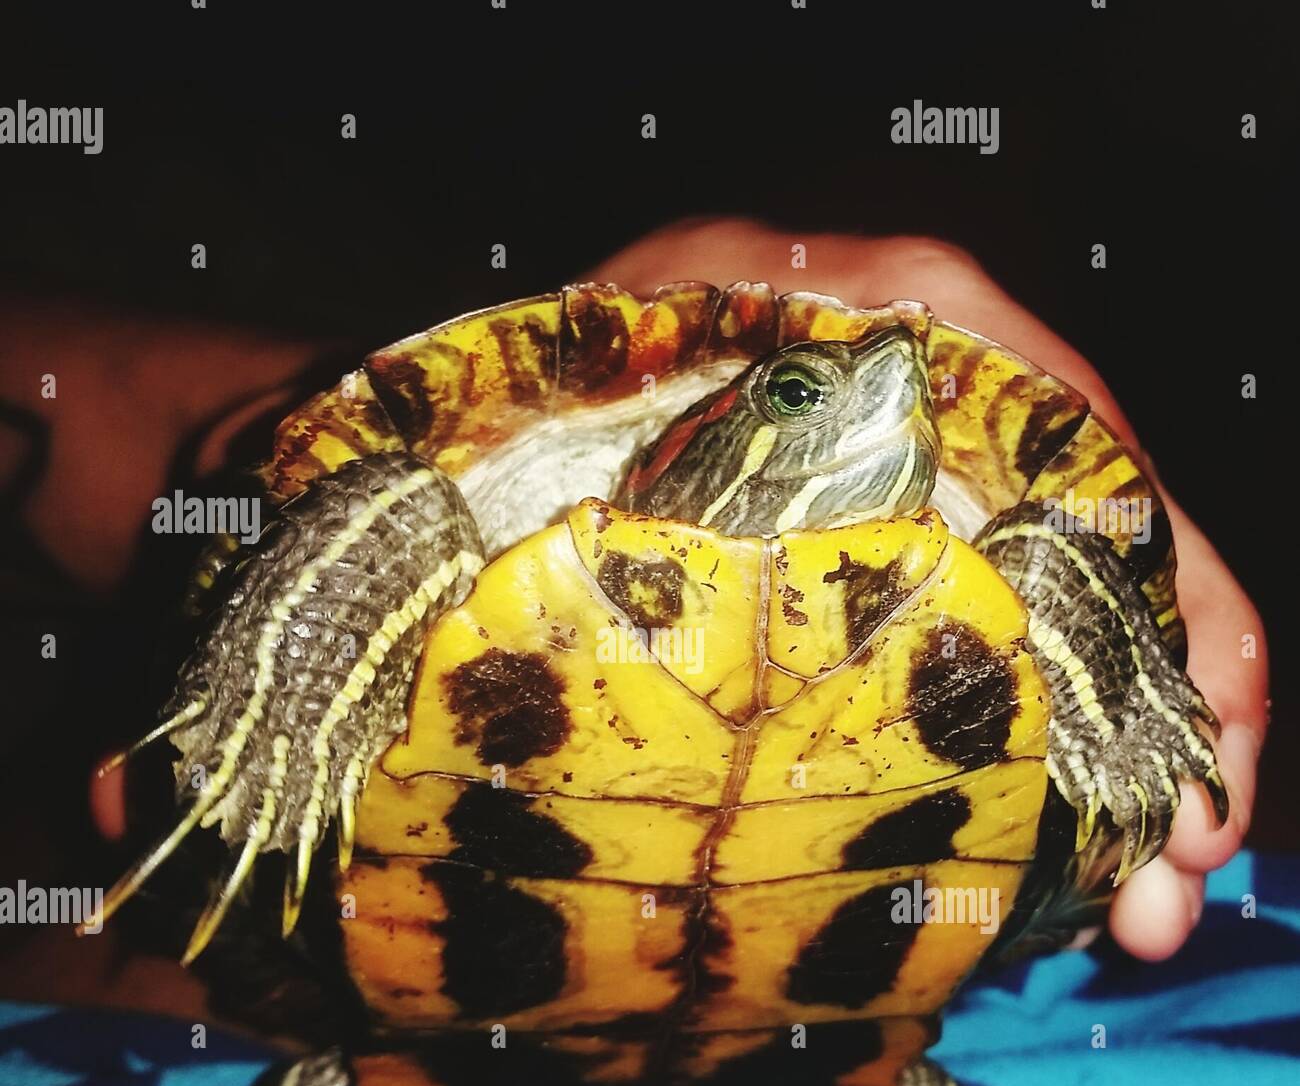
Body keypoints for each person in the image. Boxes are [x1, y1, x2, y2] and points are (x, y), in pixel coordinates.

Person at [9, 221, 1264, 966]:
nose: (891, 394)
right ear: (684, 441)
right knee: (396, 515)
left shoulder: (997, 541)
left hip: (825, 992)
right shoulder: (519, 482)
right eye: (792, 397)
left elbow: (1055, 567)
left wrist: (1118, 704)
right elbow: (371, 499)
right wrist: (282, 679)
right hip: (417, 991)